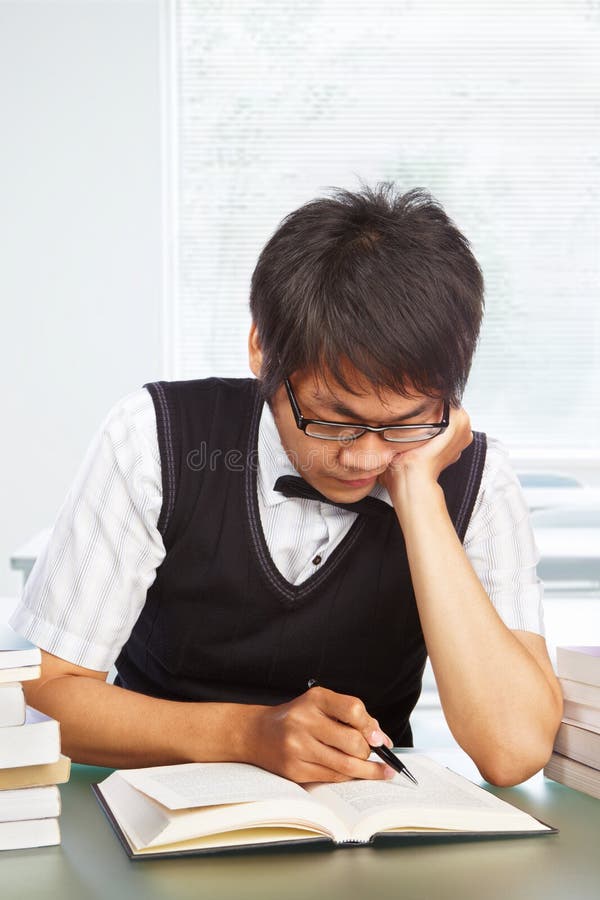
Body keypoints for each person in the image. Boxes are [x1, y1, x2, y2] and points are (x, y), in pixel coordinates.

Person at [12, 184, 562, 786]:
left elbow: (512, 753)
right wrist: (246, 736)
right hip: (157, 813)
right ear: (260, 349)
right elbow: (45, 698)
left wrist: (420, 495)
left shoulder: (478, 482)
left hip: (370, 831)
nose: (366, 456)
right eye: (334, 418)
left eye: (403, 424)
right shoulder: (155, 439)